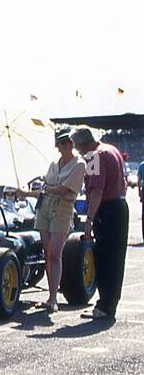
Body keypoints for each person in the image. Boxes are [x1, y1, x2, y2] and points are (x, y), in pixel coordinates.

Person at [21, 131, 87, 312]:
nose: (61, 147)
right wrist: (25, 193)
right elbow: (46, 189)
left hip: (63, 208)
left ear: (71, 144)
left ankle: (53, 298)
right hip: (45, 208)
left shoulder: (79, 164)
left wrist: (49, 188)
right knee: (48, 252)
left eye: (64, 143)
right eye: (59, 143)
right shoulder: (53, 164)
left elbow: (64, 190)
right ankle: (50, 295)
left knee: (56, 253)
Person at [71, 125, 128, 321]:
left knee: (104, 259)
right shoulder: (111, 149)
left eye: (77, 147)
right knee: (116, 259)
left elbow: (96, 190)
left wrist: (89, 220)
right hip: (120, 206)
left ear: (82, 144)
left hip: (107, 209)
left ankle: (104, 305)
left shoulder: (94, 156)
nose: (77, 151)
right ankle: (110, 303)